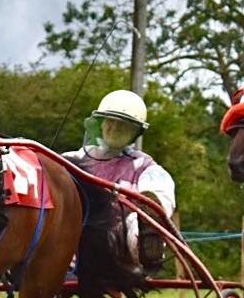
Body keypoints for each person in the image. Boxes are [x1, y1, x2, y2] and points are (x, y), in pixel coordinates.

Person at [64, 89, 176, 272]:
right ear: (100, 123)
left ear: (135, 133)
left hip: (119, 245)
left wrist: (151, 206)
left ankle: (148, 248)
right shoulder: (71, 160)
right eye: (111, 122)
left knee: (141, 217)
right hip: (72, 237)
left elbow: (160, 194)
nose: (115, 129)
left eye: (124, 126)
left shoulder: (144, 166)